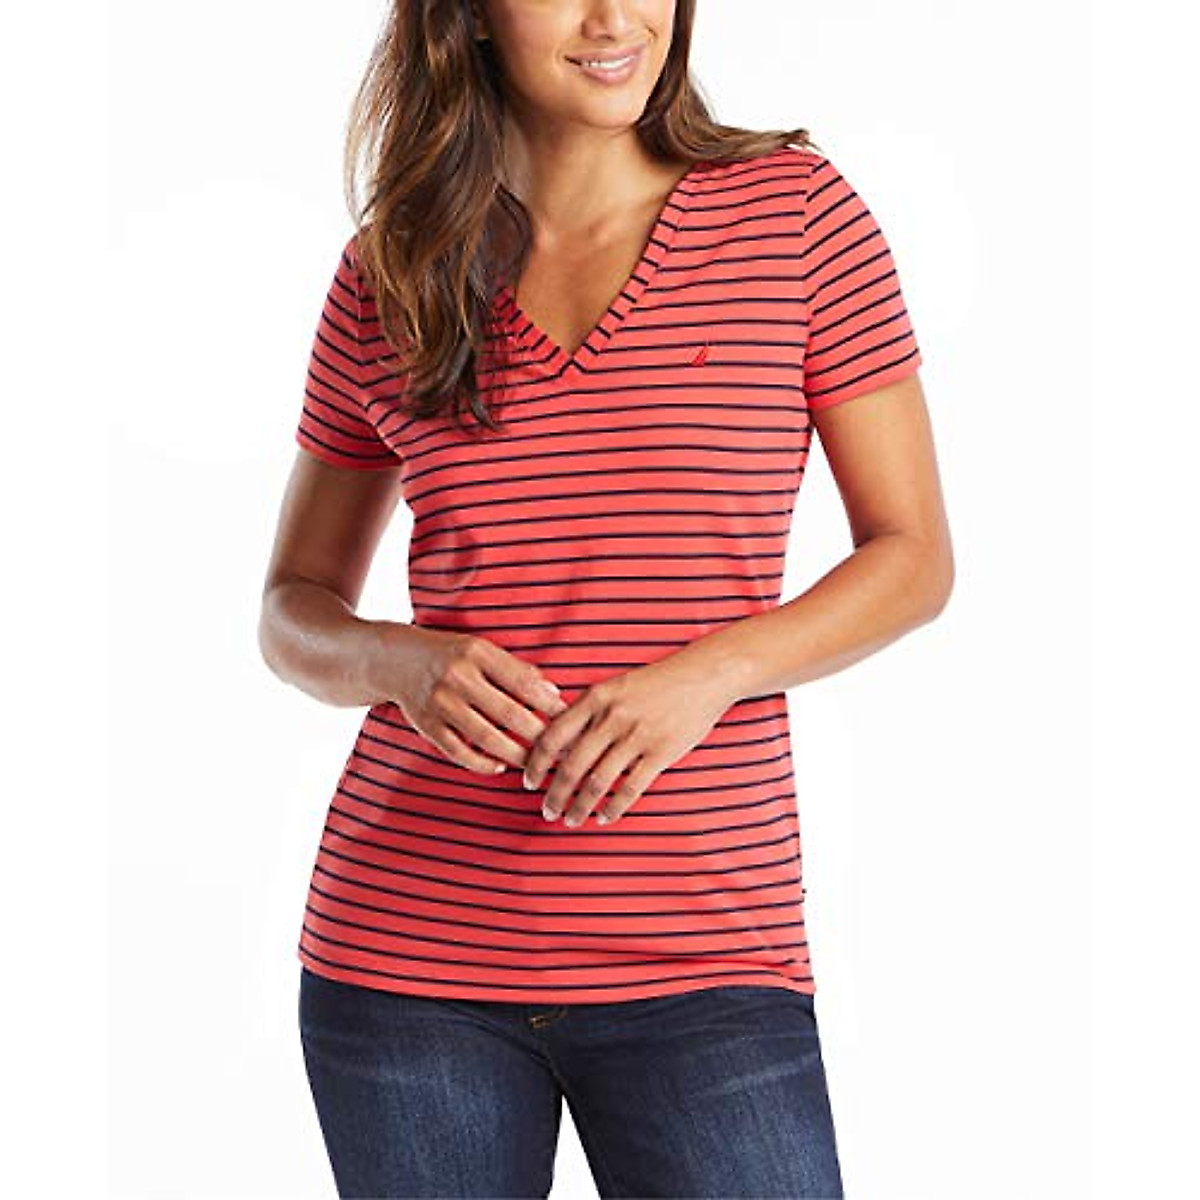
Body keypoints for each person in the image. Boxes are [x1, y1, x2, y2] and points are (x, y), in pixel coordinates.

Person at [259, 1, 953, 1196]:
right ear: (471, 17)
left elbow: (913, 556)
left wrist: (712, 675)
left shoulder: (793, 216)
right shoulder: (396, 266)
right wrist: (397, 662)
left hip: (707, 957)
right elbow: (292, 604)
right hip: (408, 964)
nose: (613, 16)